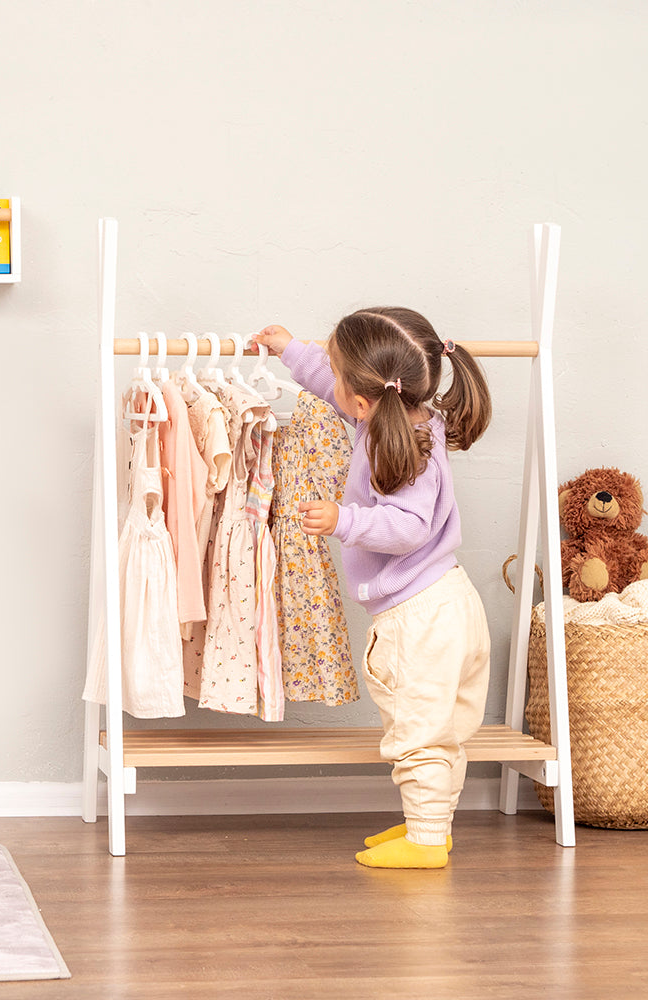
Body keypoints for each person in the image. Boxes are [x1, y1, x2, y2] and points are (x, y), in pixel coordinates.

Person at [254, 307, 493, 869]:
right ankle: (431, 826)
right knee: (442, 731)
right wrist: (292, 350)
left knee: (418, 734)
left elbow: (408, 527)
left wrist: (345, 520)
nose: (330, 381)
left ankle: (426, 842)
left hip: (418, 619)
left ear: (363, 401)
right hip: (449, 602)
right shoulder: (407, 417)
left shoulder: (392, 445)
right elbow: (334, 385)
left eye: (337, 372)